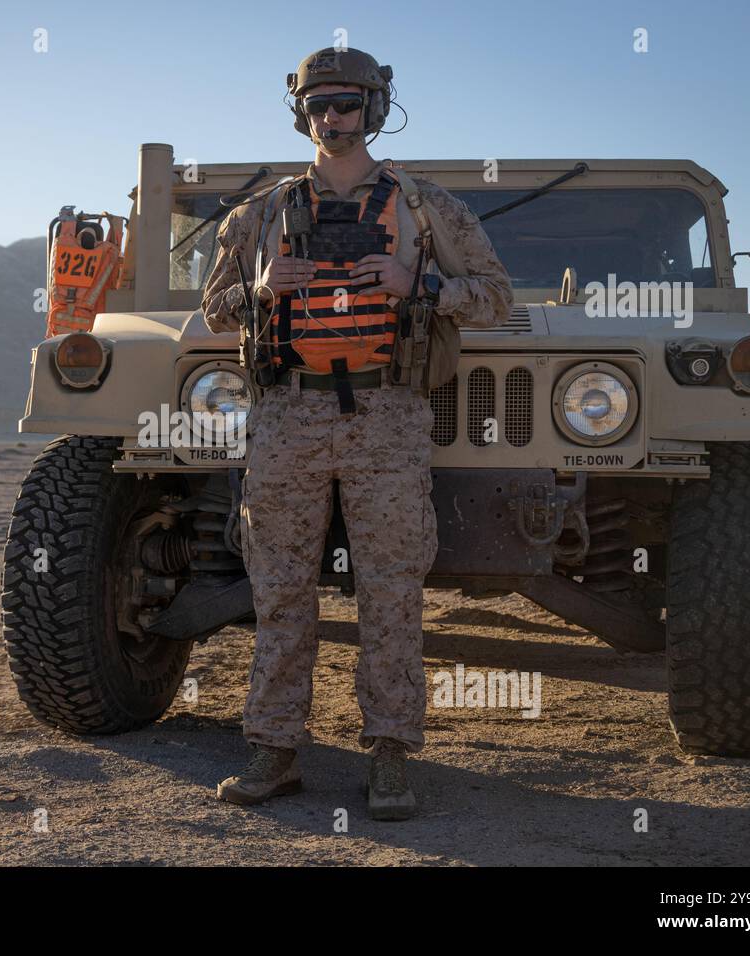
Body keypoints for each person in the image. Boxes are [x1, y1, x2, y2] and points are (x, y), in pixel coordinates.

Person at [200, 46, 513, 820]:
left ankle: (391, 758)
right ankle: (274, 750)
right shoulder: (261, 213)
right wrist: (258, 287)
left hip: (388, 417)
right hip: (287, 414)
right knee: (278, 590)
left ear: (372, 109)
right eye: (318, 106)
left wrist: (423, 284)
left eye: (345, 104)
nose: (331, 118)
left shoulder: (427, 204)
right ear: (302, 113)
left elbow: (498, 299)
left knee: (392, 592)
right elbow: (213, 310)